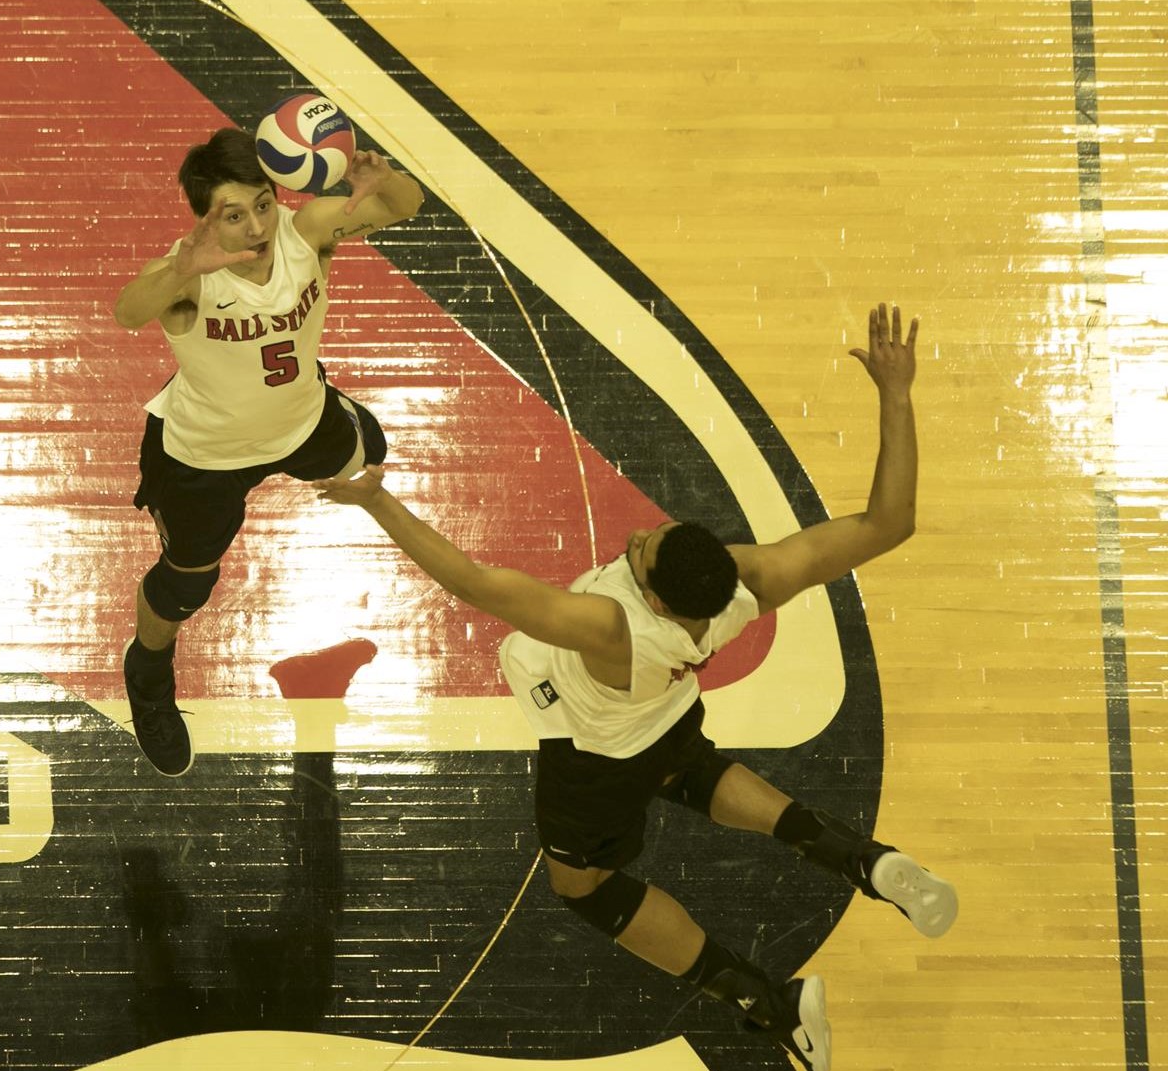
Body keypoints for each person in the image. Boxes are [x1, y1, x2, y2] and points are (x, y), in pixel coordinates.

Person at [314, 304, 951, 1070]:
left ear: (652, 597)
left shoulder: (609, 627)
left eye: (644, 552)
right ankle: (867, 861)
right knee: (693, 770)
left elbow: (476, 583)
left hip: (596, 759)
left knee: (584, 886)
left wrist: (377, 499)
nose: (642, 535)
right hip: (668, 714)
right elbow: (890, 523)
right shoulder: (744, 582)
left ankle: (770, 1001)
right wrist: (897, 391)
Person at [113, 125, 425, 776]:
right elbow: (127, 310)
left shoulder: (307, 228)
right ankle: (147, 672)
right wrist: (180, 268)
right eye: (234, 214)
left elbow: (405, 206)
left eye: (262, 202)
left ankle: (324, 404)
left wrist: (380, 174)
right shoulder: (188, 276)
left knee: (368, 453)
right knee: (184, 587)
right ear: (206, 219)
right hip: (205, 454)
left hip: (301, 418)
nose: (256, 224)